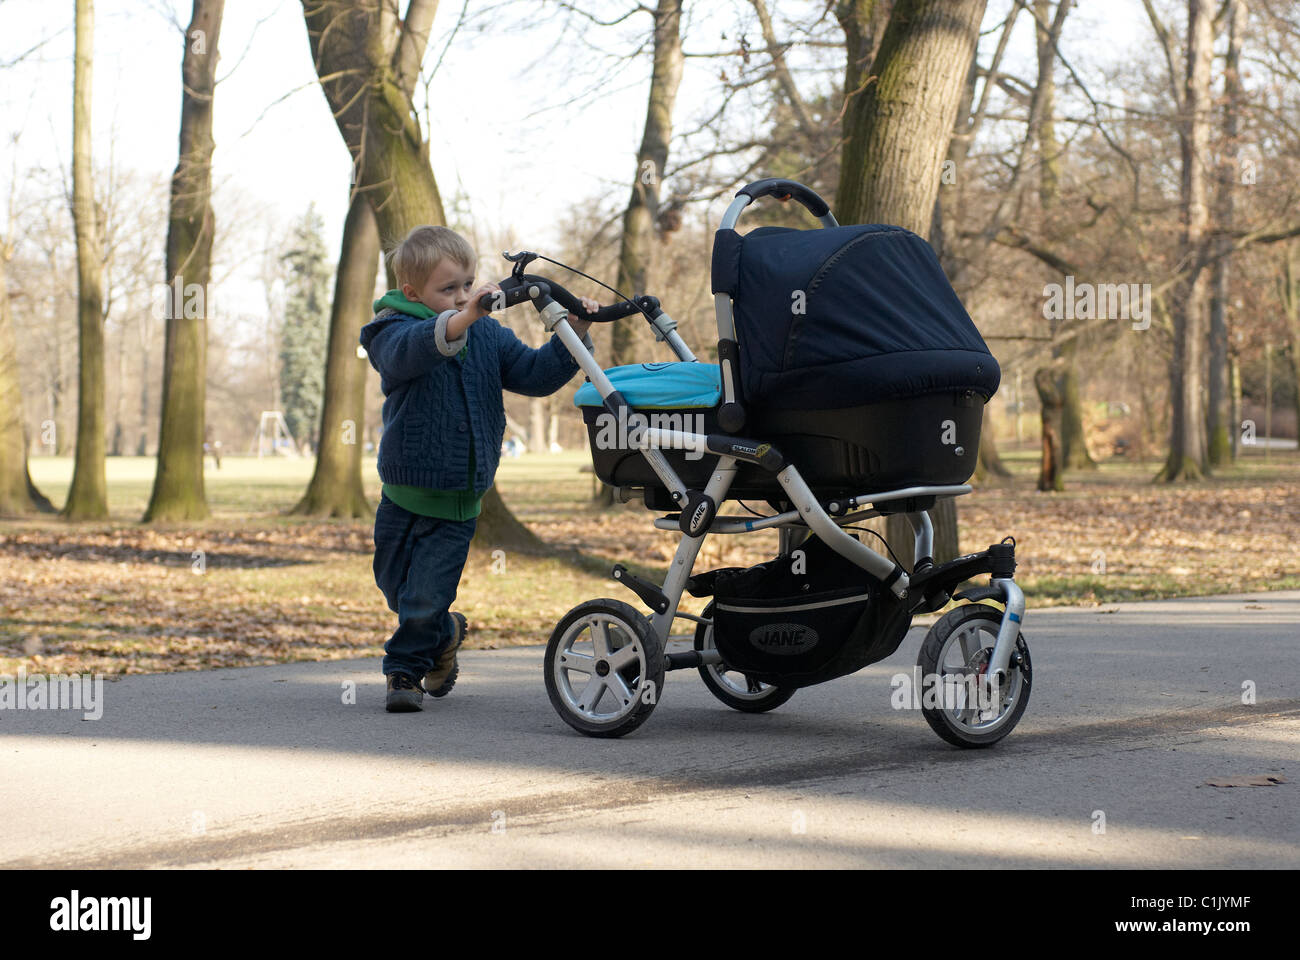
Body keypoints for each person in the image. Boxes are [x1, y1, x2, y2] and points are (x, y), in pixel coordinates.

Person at [360, 225, 598, 712]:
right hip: (402, 495)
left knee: (424, 597)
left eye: (467, 284)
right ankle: (445, 632)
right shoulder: (390, 331)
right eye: (447, 289)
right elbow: (413, 352)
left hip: (459, 501)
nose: (462, 296)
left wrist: (574, 332)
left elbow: (534, 375)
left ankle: (403, 675)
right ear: (413, 294)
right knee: (395, 589)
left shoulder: (487, 333)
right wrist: (462, 318)